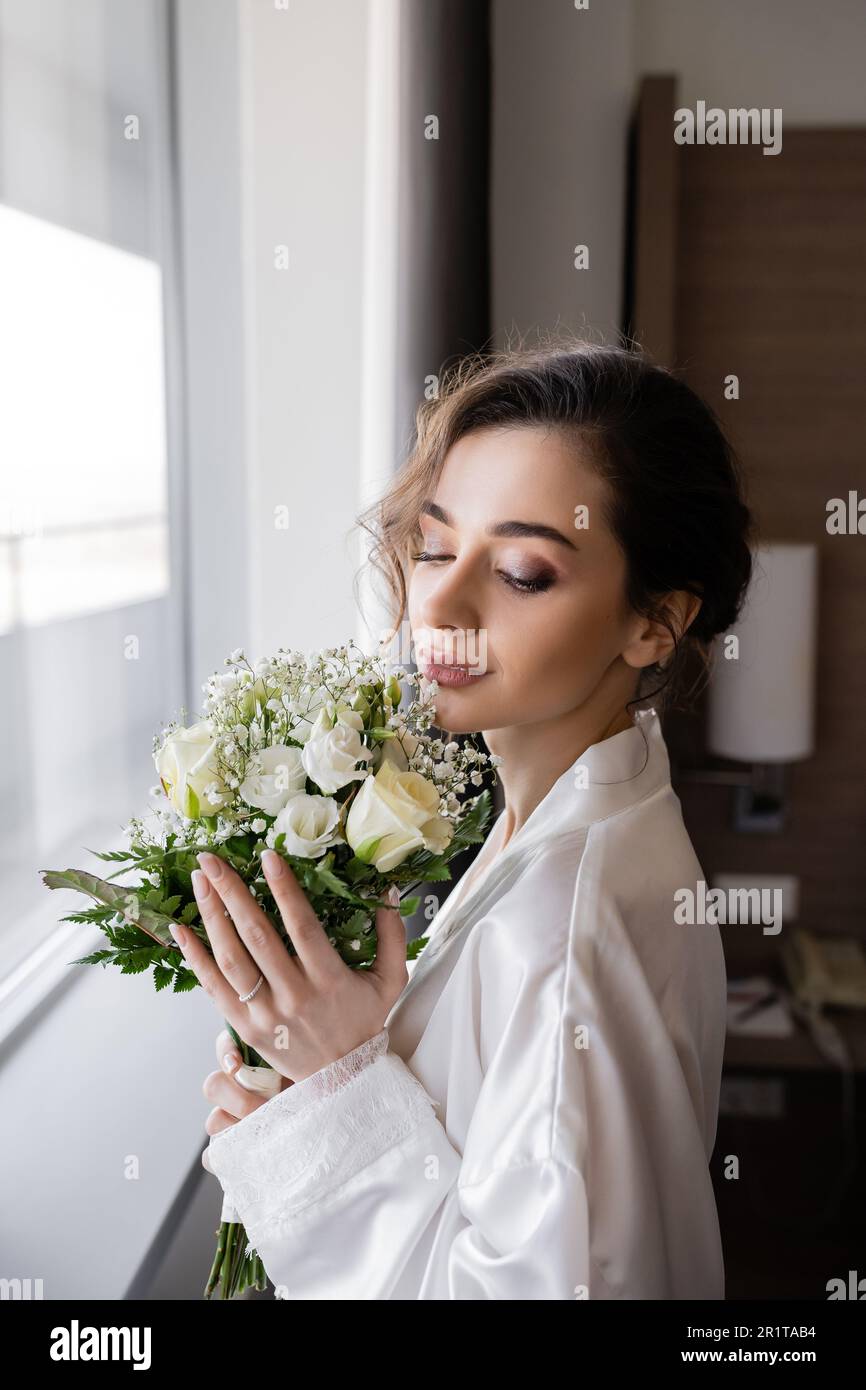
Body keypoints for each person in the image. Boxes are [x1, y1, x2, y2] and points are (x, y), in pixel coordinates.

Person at [188, 336, 755, 1299]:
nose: (438, 602)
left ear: (654, 622)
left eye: (524, 572)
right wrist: (311, 1117)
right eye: (437, 546)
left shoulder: (566, 929)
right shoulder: (564, 816)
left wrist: (343, 1084)